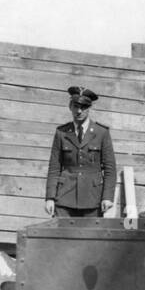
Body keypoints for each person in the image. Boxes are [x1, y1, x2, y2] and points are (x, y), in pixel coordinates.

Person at [44, 86, 117, 218]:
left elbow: (110, 168)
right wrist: (50, 197)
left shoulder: (102, 133)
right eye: (76, 106)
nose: (79, 111)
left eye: (83, 107)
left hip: (92, 198)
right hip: (64, 197)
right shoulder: (62, 132)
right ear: (70, 106)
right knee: (62, 236)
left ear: (89, 108)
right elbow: (54, 167)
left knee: (90, 237)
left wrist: (107, 197)